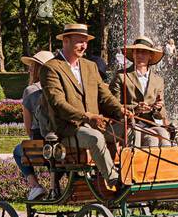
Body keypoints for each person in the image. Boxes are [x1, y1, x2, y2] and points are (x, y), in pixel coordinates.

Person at [41, 23, 127, 188]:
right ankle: (114, 181)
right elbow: (57, 103)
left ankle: (131, 173)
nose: (84, 46)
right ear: (66, 41)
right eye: (79, 41)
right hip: (69, 129)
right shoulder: (51, 68)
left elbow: (105, 95)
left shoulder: (90, 66)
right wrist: (86, 116)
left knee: (128, 129)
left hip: (95, 124)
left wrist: (121, 110)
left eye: (86, 42)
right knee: (95, 138)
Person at [109, 36, 172, 146]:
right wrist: (135, 108)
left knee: (164, 136)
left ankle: (163, 163)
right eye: (137, 52)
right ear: (132, 54)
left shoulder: (158, 81)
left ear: (150, 56)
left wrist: (159, 107)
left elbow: (161, 113)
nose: (140, 55)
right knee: (151, 140)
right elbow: (112, 106)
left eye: (144, 52)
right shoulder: (121, 76)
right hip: (129, 124)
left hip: (150, 124)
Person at [13, 50, 56, 201]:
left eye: (32, 65)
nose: (30, 69)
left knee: (18, 151)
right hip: (68, 145)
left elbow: (28, 127)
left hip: (43, 147)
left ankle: (35, 186)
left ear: (39, 68)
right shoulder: (62, 87)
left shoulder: (30, 90)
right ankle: (54, 187)